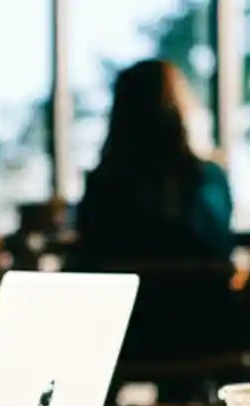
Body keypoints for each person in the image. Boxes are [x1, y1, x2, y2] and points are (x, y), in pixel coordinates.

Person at [72, 59, 233, 268]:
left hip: (126, 299)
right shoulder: (206, 179)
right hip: (198, 298)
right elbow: (219, 248)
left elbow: (91, 253)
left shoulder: (103, 185)